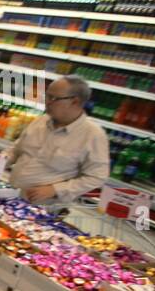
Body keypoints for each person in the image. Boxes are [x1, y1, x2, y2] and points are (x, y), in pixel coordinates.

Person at [6, 75, 109, 206]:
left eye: (53, 98)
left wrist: (55, 190)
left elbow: (96, 177)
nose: (47, 102)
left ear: (75, 102)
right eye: (47, 96)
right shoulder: (40, 121)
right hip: (10, 196)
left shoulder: (93, 134)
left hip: (44, 209)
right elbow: (16, 150)